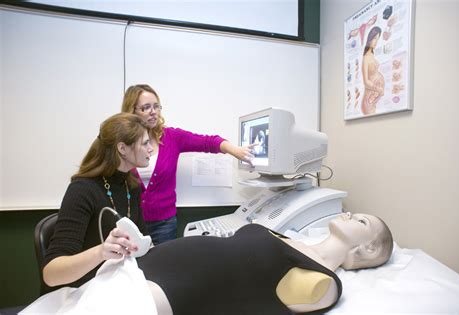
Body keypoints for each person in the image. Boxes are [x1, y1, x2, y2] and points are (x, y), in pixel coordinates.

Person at [138, 212, 394, 315]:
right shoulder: (295, 243)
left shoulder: (322, 283)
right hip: (147, 263)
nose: (349, 214)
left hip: (167, 293)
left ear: (369, 248)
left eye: (361, 221)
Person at [121, 84, 256, 245]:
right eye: (146, 107)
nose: (153, 111)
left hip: (164, 225)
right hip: (131, 224)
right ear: (132, 111)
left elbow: (208, 142)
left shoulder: (171, 137)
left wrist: (235, 150)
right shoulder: (121, 142)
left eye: (156, 106)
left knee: (164, 267)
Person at [42, 112, 153, 289]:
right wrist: (101, 252)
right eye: (146, 143)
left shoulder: (131, 186)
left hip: (117, 285)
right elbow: (51, 274)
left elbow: (141, 241)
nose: (151, 148)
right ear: (122, 149)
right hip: (81, 293)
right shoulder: (82, 190)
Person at [361, 26, 385, 115]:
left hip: (374, 98)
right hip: (368, 101)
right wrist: (379, 89)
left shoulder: (371, 55)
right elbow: (366, 81)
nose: (376, 42)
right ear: (370, 38)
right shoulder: (365, 58)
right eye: (374, 38)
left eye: (377, 39)